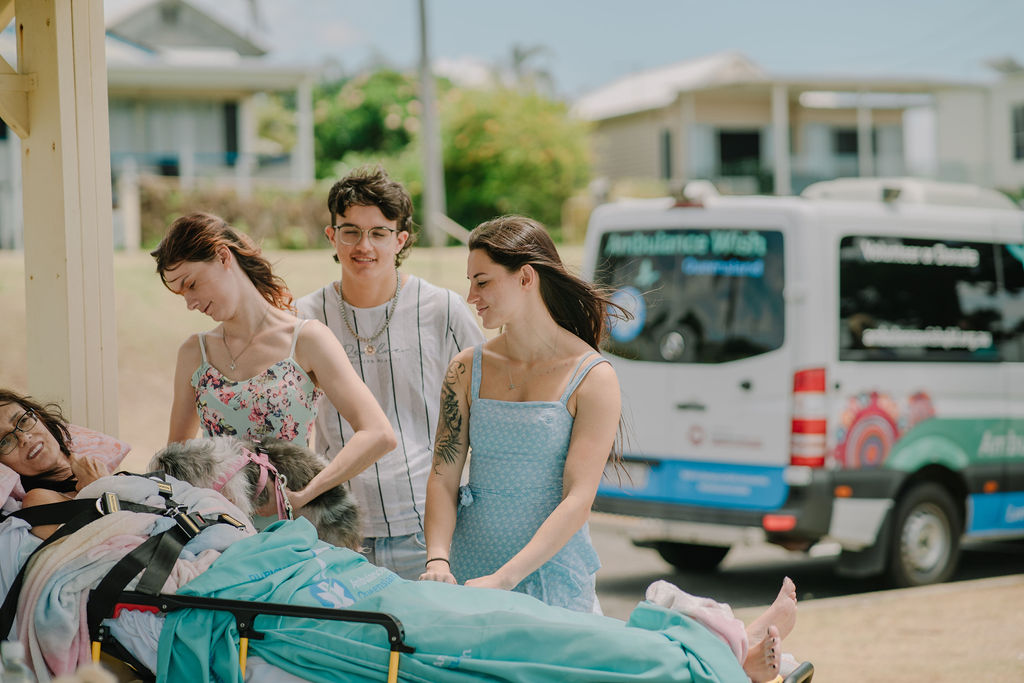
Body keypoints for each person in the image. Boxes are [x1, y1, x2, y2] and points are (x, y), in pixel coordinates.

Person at [420, 215, 622, 614]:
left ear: (526, 278)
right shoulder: (465, 368)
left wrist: (505, 578)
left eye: (482, 281)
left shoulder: (593, 377)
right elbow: (443, 476)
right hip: (470, 573)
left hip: (551, 577)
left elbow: (578, 499)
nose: (471, 296)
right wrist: (438, 559)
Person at [296, 167, 483, 579]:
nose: (364, 246)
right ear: (331, 236)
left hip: (427, 532)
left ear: (400, 240)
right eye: (350, 231)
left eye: (379, 233)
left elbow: (486, 409)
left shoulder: (444, 309)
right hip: (334, 530)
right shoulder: (303, 318)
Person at [151, 213, 396, 515]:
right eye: (181, 294)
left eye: (191, 284)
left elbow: (378, 434)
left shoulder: (307, 340)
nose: (190, 302)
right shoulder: (194, 353)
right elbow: (176, 463)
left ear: (223, 257)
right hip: (219, 532)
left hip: (292, 528)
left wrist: (304, 495)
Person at [0, 390, 115, 537]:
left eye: (23, 421)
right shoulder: (38, 501)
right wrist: (99, 487)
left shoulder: (97, 470)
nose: (24, 438)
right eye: (5, 442)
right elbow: (115, 550)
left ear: (39, 417)